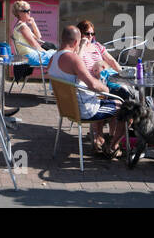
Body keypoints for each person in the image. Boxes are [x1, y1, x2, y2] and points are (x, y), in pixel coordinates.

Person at [49, 25, 125, 157]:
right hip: (85, 110)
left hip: (67, 108)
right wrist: (106, 89)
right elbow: (93, 84)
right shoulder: (73, 59)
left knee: (102, 99)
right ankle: (113, 147)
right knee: (124, 107)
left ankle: (100, 140)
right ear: (75, 42)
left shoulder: (53, 59)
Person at [10, 1, 53, 65]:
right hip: (30, 56)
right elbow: (34, 44)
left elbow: (38, 37)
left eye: (29, 10)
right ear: (19, 13)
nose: (29, 13)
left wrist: (33, 23)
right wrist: (45, 52)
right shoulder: (23, 27)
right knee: (60, 56)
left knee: (59, 55)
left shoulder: (20, 25)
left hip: (30, 55)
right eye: (26, 11)